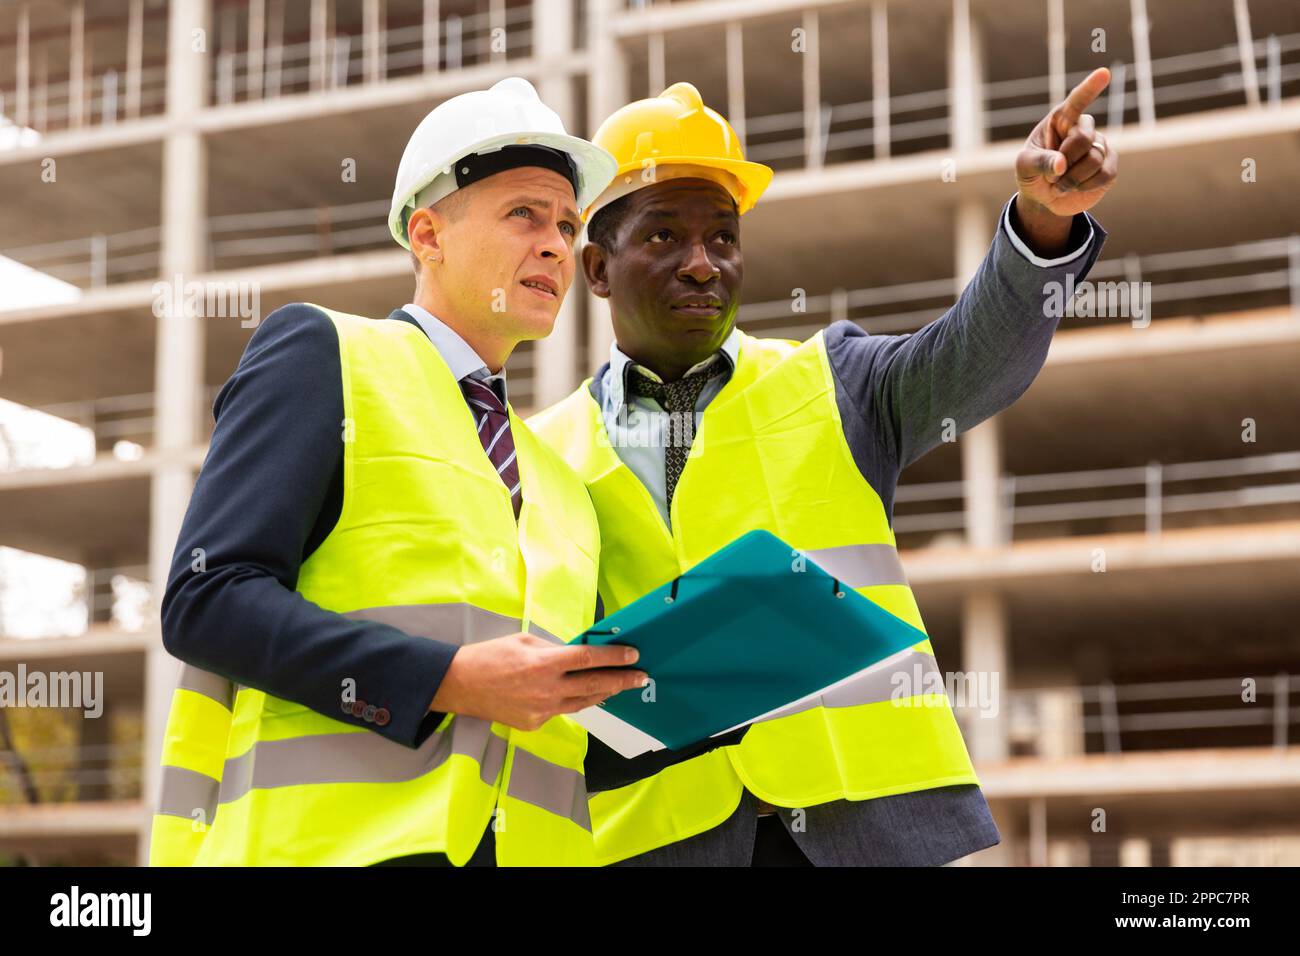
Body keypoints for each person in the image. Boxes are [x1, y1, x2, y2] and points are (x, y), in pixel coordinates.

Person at [530, 71, 1117, 866]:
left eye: (725, 238)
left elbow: (974, 358)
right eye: (665, 236)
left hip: (859, 832)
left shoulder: (833, 382)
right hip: (659, 840)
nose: (703, 264)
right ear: (597, 269)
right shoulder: (542, 454)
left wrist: (1042, 223)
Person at [149, 77, 733, 867]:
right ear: (428, 235)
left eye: (567, 222)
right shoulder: (328, 356)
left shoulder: (558, 483)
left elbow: (549, 728)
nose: (557, 244)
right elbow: (206, 598)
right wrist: (447, 678)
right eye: (524, 214)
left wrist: (717, 700)